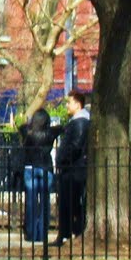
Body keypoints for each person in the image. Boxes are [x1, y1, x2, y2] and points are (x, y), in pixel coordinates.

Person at [54, 90, 90, 246]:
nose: (67, 106)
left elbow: (75, 146)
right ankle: (67, 233)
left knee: (70, 203)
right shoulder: (77, 122)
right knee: (68, 203)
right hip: (72, 169)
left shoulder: (80, 122)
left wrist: (62, 159)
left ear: (77, 104)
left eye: (69, 102)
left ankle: (67, 234)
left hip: (74, 170)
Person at [20, 108, 57, 243]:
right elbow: (61, 129)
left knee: (31, 202)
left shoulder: (27, 132)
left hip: (30, 167)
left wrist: (30, 123)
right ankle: (42, 233)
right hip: (46, 167)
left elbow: (21, 126)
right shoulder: (50, 133)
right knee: (44, 203)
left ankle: (31, 233)